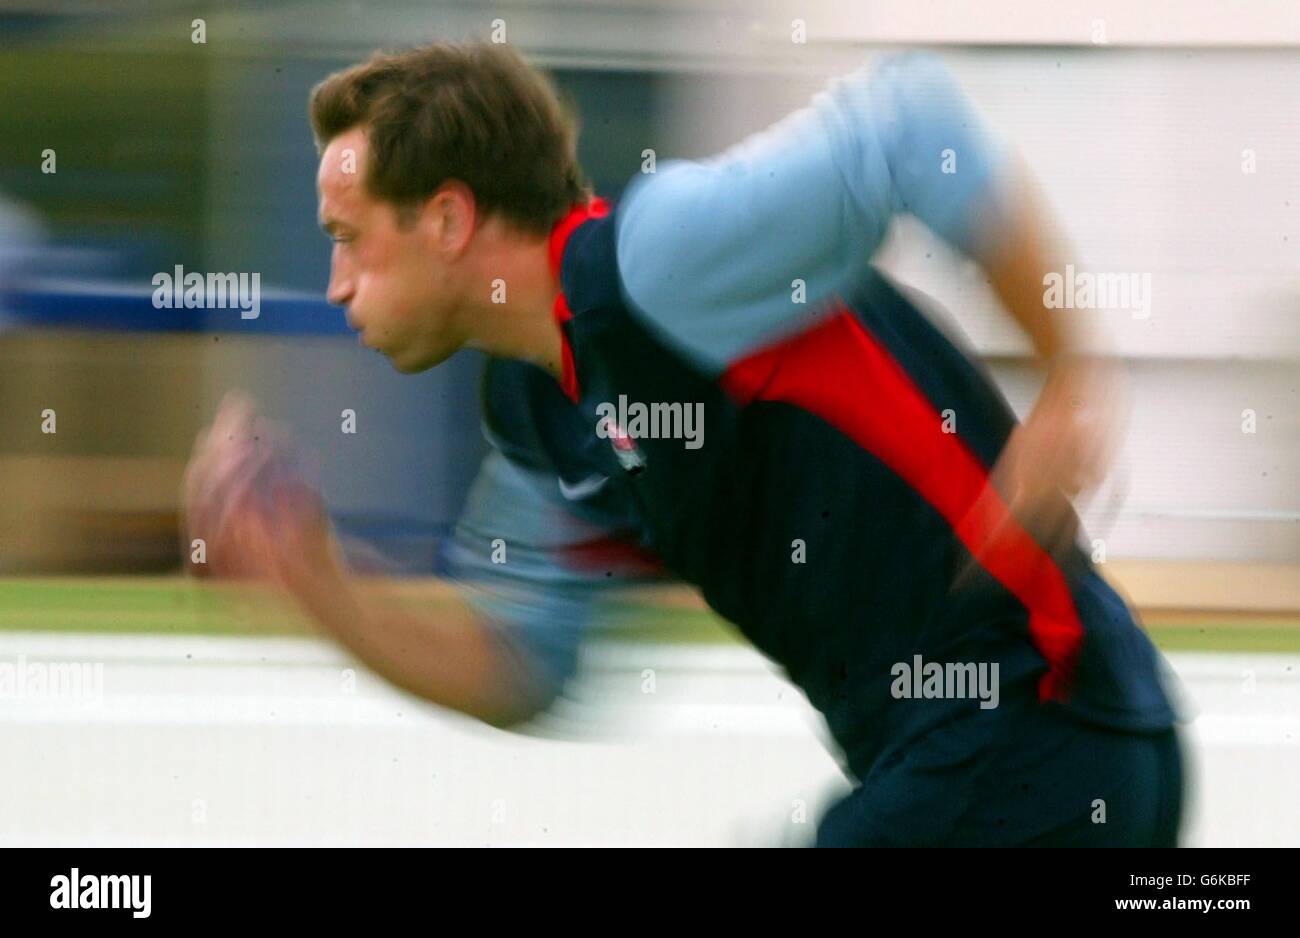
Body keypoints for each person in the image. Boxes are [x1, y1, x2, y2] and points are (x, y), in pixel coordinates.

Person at [184, 42, 1183, 846]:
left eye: (349, 236)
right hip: (962, 767)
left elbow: (914, 122)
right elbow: (519, 664)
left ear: (446, 217)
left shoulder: (660, 259)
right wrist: (318, 587)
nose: (335, 282)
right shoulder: (542, 410)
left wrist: (1070, 376)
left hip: (1048, 730)